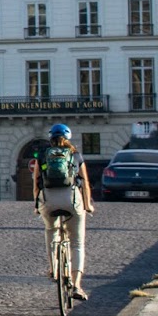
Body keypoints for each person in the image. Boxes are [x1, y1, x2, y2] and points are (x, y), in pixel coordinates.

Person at [34, 122, 95, 299]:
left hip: (49, 200)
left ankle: (54, 269)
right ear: (68, 139)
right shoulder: (76, 156)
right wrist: (87, 205)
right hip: (72, 200)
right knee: (76, 243)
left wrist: (36, 206)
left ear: (51, 139)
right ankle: (76, 285)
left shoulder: (43, 157)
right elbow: (85, 183)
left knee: (51, 230)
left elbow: (37, 183)